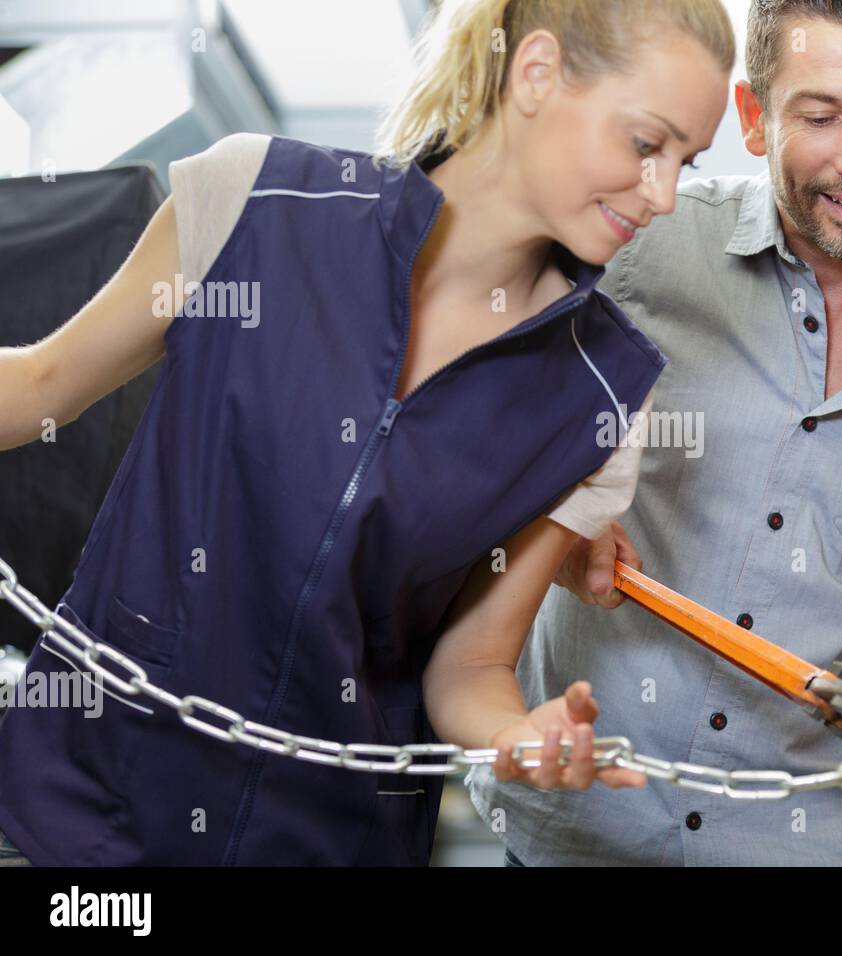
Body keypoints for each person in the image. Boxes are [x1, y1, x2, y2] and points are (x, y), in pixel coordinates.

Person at [0, 0, 733, 865]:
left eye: (688, 160)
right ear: (535, 74)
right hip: (84, 812)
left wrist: (521, 738)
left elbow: (470, 667)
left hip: (333, 843)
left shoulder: (604, 392)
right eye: (648, 144)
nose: (666, 194)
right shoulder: (253, 199)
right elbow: (35, 388)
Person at [470, 0, 842, 866]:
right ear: (753, 118)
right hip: (571, 829)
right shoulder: (640, 243)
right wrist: (540, 505)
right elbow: (461, 381)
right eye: (818, 115)